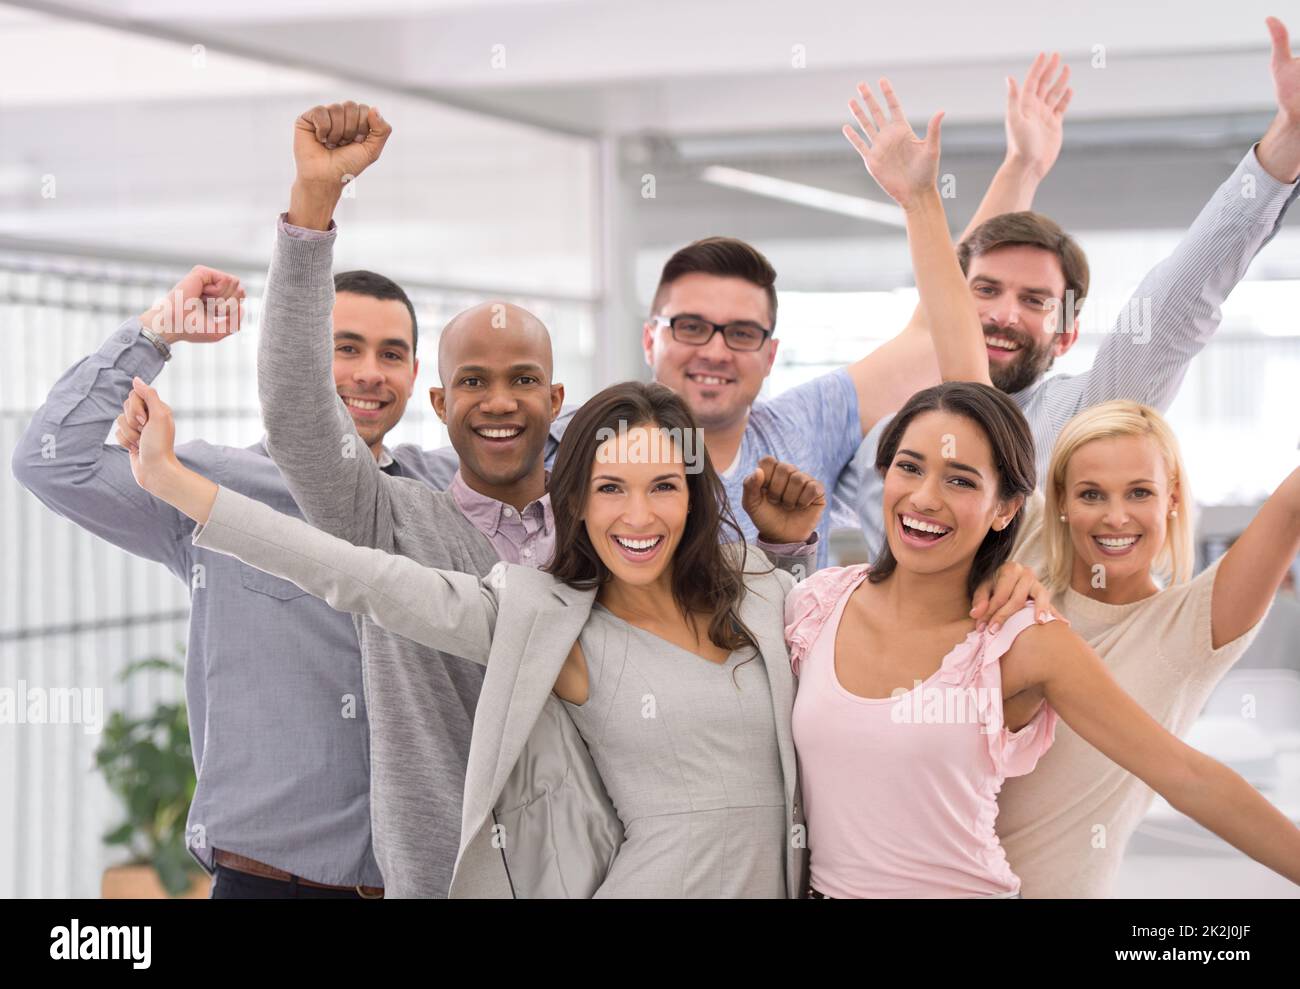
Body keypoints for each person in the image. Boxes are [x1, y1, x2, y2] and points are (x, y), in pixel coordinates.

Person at [782, 78, 1300, 900]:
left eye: (962, 481)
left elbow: (1176, 310)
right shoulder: (826, 601)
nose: (929, 496)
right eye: (912, 468)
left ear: (1014, 504)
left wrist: (1274, 162)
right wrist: (933, 197)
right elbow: (950, 336)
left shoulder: (1026, 620)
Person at [123, 377, 829, 897]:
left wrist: (789, 548)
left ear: (694, 493)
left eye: (663, 486)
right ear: (576, 500)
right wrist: (172, 480)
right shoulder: (544, 617)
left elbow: (812, 683)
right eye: (611, 487)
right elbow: (353, 574)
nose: (638, 515)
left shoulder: (759, 586)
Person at [397, 56, 1076, 566]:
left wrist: (1018, 168)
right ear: (650, 339)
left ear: (771, 354)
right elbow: (432, 473)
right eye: (690, 327)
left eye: (741, 332)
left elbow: (937, 329)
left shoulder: (801, 429)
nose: (715, 350)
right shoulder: (576, 441)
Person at [9, 262, 445, 898]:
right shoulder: (206, 484)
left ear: (413, 374)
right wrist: (158, 333)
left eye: (392, 354)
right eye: (344, 348)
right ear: (293, 359)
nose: (369, 373)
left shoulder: (441, 494)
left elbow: (560, 435)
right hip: (270, 886)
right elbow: (52, 462)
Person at [844, 16, 1300, 555]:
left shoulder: (1087, 414)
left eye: (1034, 300)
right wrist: (1022, 165)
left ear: (1064, 335)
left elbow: (1177, 302)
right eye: (985, 291)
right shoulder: (885, 436)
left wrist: (1282, 150)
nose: (1005, 314)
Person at [990, 402, 1300, 897]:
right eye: (1092, 494)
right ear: (1061, 502)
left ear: (1172, 499)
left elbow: (1291, 503)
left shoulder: (1190, 628)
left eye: (1140, 493)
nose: (1116, 517)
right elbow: (971, 404)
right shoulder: (1023, 558)